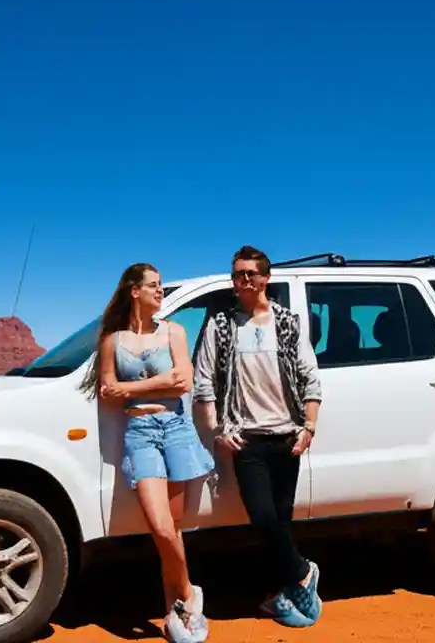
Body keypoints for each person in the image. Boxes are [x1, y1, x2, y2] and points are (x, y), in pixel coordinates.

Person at [80, 262, 215, 643]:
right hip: (140, 433)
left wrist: (132, 389)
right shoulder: (113, 341)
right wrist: (159, 384)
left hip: (175, 429)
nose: (160, 291)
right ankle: (190, 594)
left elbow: (183, 381)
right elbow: (108, 389)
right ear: (134, 291)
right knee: (159, 527)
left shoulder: (174, 332)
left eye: (160, 286)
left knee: (170, 530)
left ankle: (173, 613)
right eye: (154, 286)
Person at [193, 245, 324, 627]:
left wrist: (309, 428)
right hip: (246, 439)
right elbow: (204, 385)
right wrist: (218, 430)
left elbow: (309, 377)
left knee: (279, 524)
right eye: (237, 274)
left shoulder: (288, 322)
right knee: (264, 519)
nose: (244, 280)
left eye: (251, 273)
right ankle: (303, 572)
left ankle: (278, 597)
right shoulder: (220, 326)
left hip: (288, 437)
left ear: (266, 278)